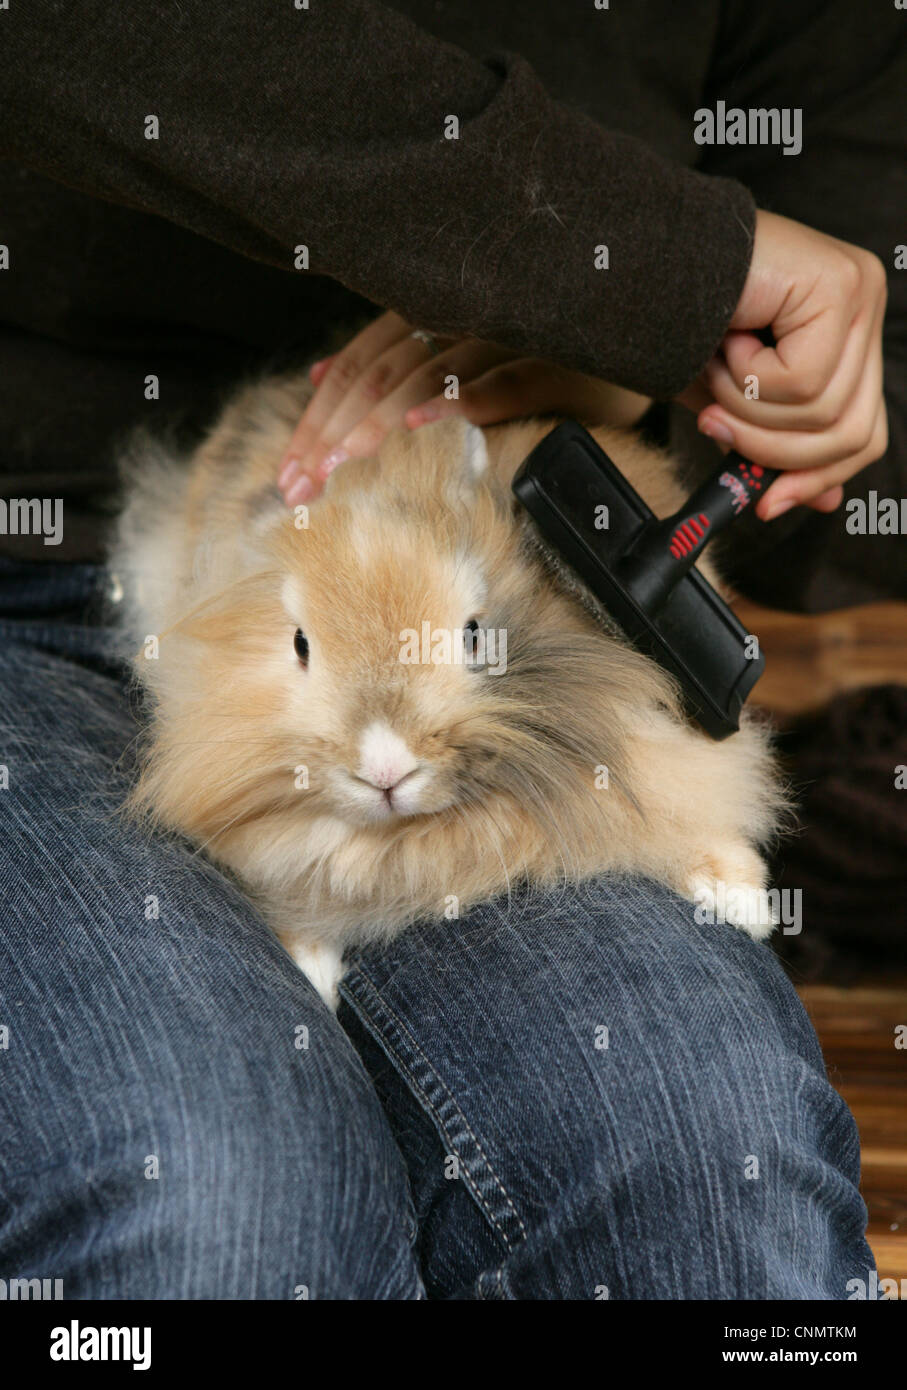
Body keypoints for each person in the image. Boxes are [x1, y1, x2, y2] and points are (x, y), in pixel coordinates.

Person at [0, 0, 900, 1298]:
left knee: (707, 1167)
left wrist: (642, 382)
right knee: (208, 1192)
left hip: (509, 617)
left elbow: (867, 368)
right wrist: (628, 268)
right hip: (39, 559)